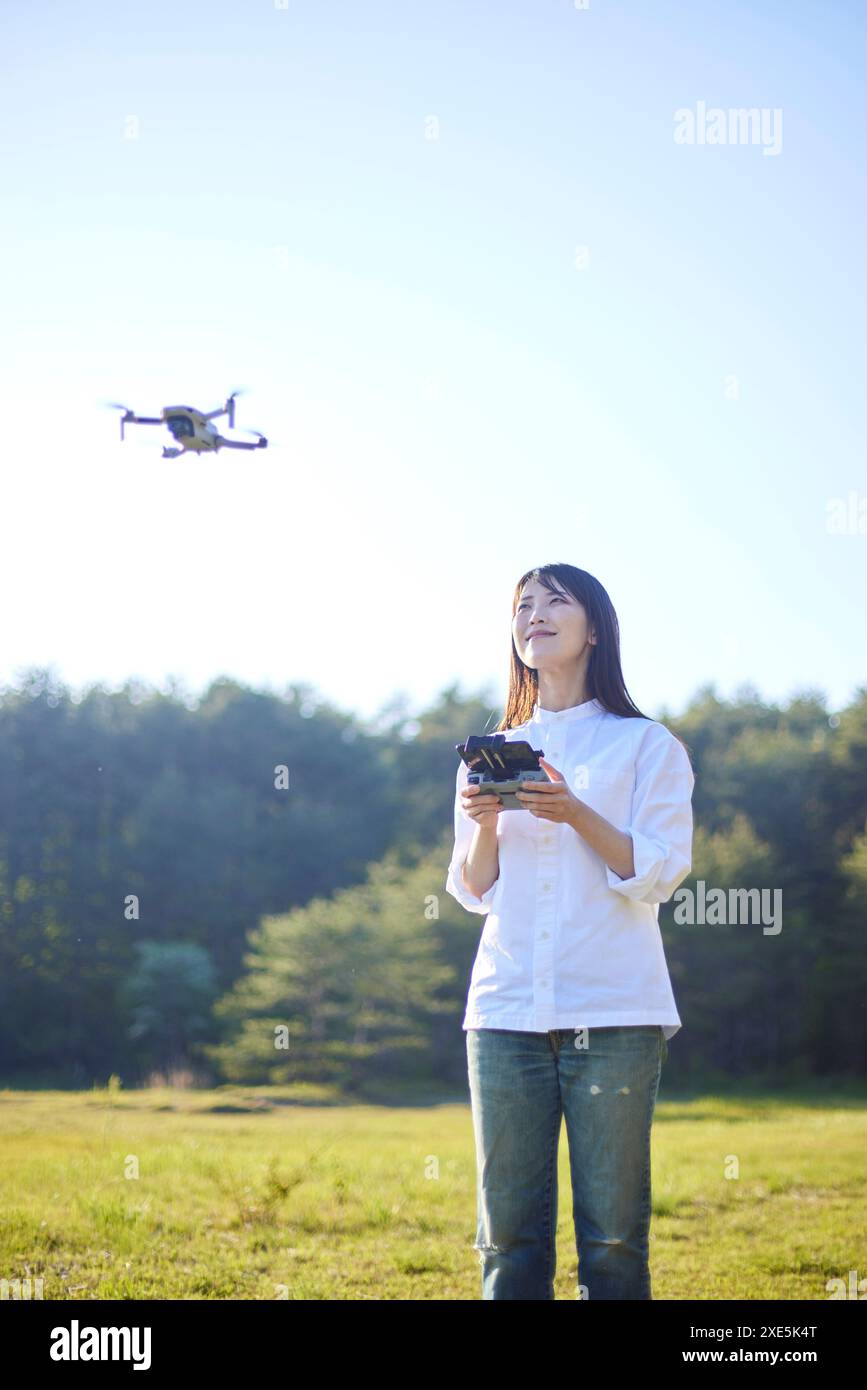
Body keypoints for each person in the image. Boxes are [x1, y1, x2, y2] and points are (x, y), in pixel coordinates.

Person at [445, 562, 695, 1301]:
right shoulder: (489, 749)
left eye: (556, 601)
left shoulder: (646, 746)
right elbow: (472, 887)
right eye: (523, 604)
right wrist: (485, 824)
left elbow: (658, 871)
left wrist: (573, 811)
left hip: (614, 1011)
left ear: (594, 631)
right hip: (505, 1009)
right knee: (508, 1236)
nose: (535, 614)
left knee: (613, 1238)